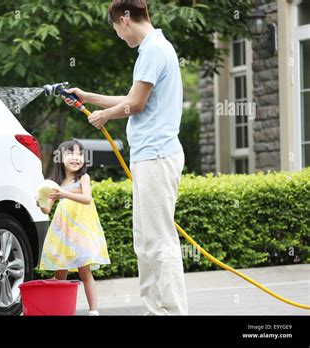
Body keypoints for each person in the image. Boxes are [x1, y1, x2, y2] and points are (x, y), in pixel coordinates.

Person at [63, 0, 188, 315]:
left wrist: (104, 115)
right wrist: (88, 97)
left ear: (126, 19)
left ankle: (172, 311)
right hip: (150, 157)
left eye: (117, 29)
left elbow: (136, 105)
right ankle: (154, 308)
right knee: (145, 241)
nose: (120, 36)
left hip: (157, 157)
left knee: (159, 240)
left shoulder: (153, 50)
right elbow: (132, 98)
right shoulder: (154, 49)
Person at [37, 139, 110, 316]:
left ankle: (93, 311)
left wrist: (65, 194)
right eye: (70, 154)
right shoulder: (56, 184)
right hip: (63, 233)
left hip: (80, 231)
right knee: (59, 274)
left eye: (79, 154)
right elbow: (47, 208)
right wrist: (41, 203)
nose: (76, 158)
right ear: (60, 158)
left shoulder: (83, 178)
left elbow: (87, 199)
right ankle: (60, 309)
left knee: (85, 271)